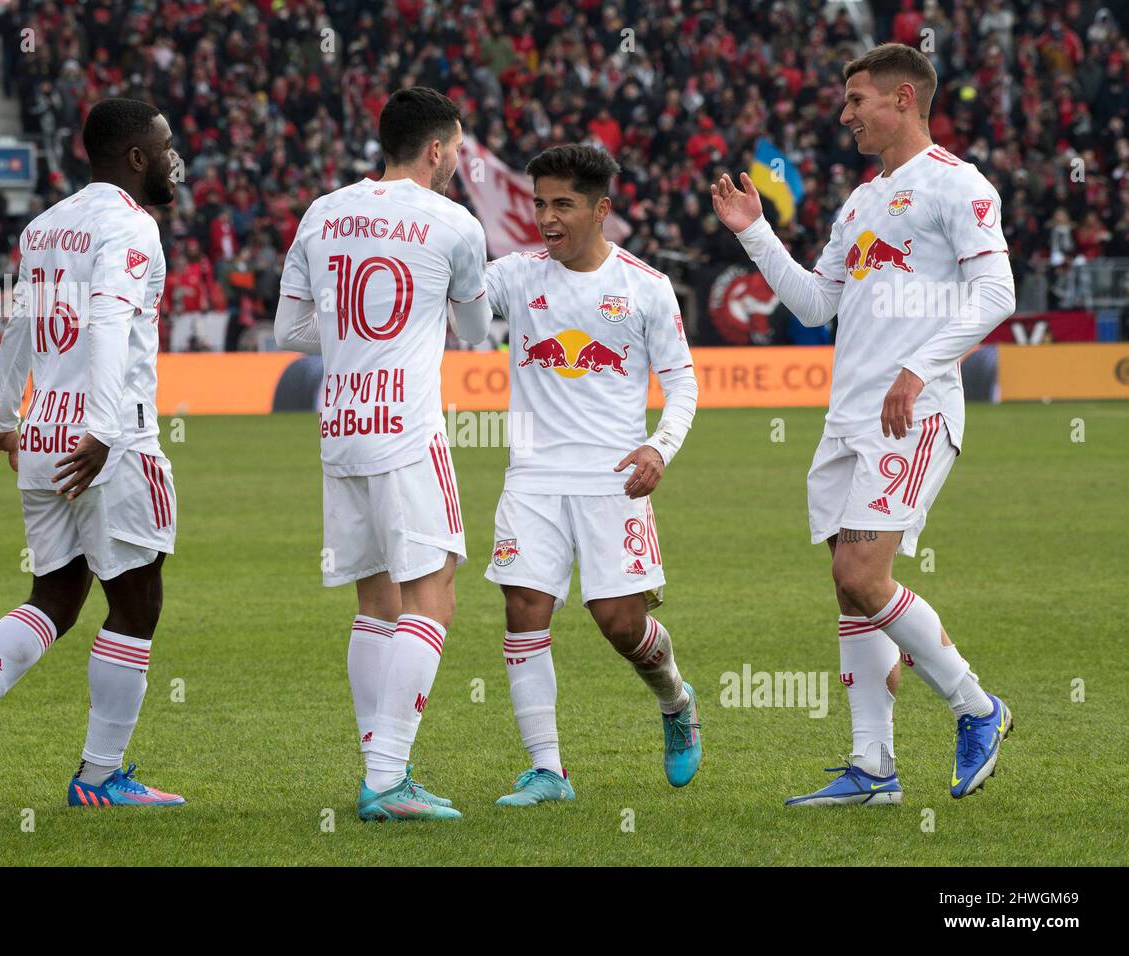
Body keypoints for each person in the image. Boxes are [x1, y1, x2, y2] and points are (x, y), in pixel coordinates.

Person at [710, 43, 1016, 805]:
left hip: (912, 412)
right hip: (850, 418)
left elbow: (997, 292)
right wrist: (755, 232)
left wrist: (921, 367)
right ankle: (873, 768)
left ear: (904, 97)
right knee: (850, 593)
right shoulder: (860, 201)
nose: (845, 114)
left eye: (857, 101)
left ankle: (978, 707)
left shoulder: (957, 185)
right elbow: (818, 304)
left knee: (861, 575)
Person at [0, 97, 184, 815]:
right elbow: (105, 322)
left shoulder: (45, 226)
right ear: (135, 157)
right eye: (163, 147)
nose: (171, 158)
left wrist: (2, 418)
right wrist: (103, 429)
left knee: (55, 596)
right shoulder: (133, 227)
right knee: (137, 600)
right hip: (109, 442)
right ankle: (99, 778)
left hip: (41, 437)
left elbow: (19, 324)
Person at [275, 86, 492, 822]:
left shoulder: (323, 211)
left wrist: (349, 341)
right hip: (406, 426)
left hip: (339, 423)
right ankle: (388, 776)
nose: (459, 160)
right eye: (458, 148)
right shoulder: (455, 223)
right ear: (436, 149)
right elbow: (473, 332)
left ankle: (380, 766)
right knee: (435, 591)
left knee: (376, 602)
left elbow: (289, 328)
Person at [483, 144, 701, 806]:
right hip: (533, 476)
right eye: (539, 203)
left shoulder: (645, 287)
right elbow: (454, 285)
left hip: (614, 479)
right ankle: (548, 770)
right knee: (524, 607)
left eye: (562, 205)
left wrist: (659, 447)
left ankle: (675, 699)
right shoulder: (517, 275)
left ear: (601, 208)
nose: (547, 219)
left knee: (618, 624)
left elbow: (683, 381)